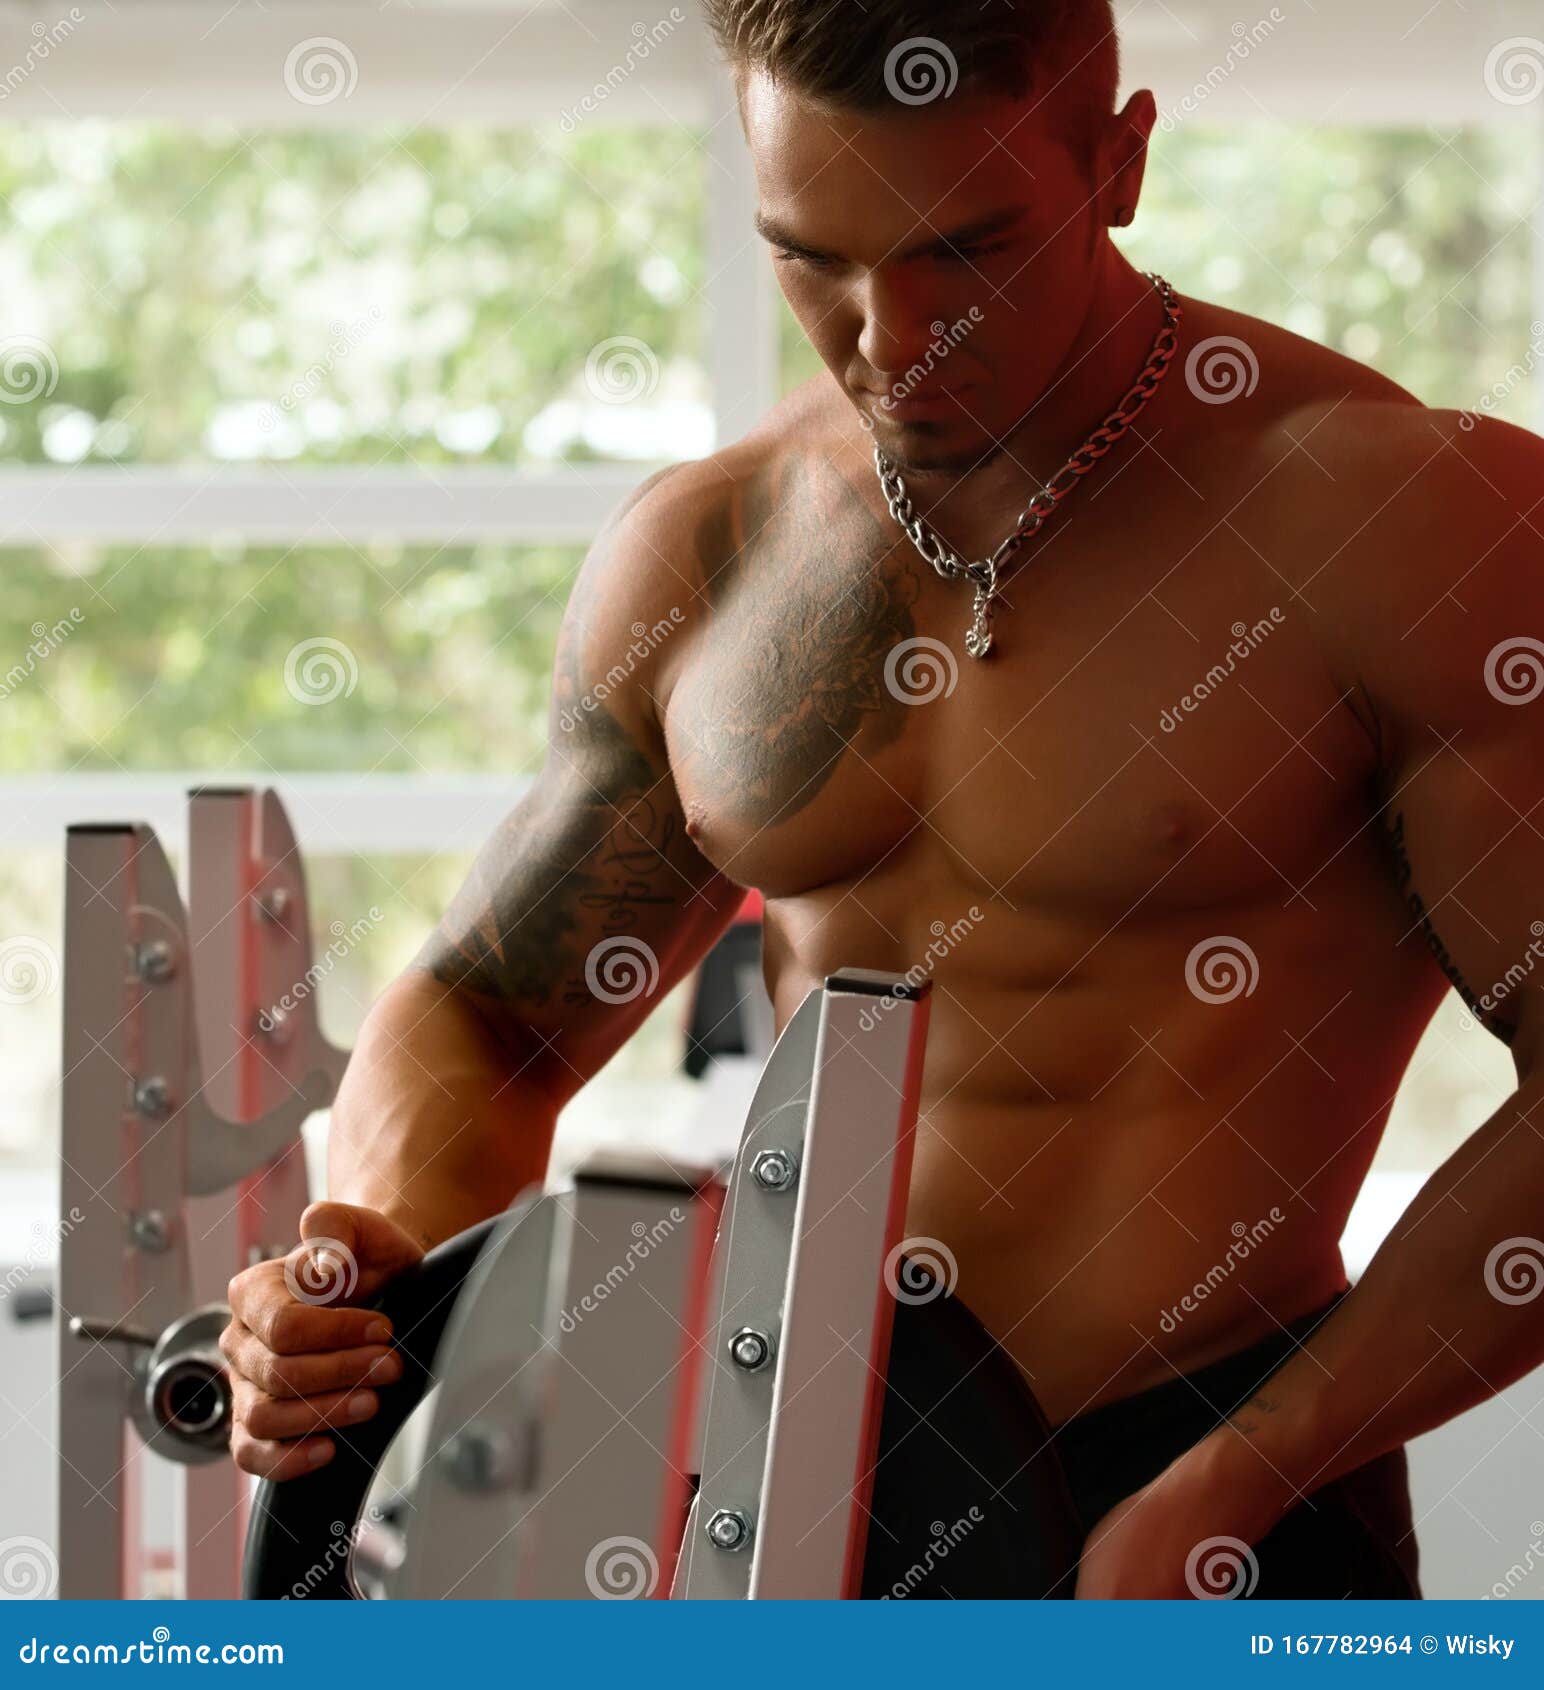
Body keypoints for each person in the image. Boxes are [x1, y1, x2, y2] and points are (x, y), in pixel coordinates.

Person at [221, 0, 1544, 1599]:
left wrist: (1241, 1474)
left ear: (1119, 163)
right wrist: (373, 1259)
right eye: (813, 258)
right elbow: (491, 1012)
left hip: (1213, 1495)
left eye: (967, 252)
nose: (891, 339)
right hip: (787, 1491)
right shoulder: (712, 549)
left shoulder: (1408, 521)